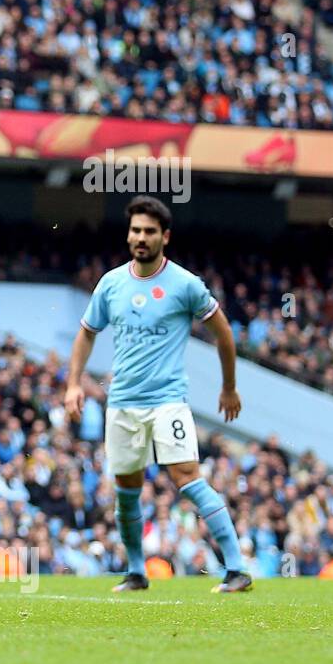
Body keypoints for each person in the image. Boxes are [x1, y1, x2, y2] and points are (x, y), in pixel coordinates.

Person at [64, 196, 251, 594]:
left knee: (187, 478)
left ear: (165, 236)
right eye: (136, 231)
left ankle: (236, 567)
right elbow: (86, 333)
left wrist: (229, 386)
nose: (141, 238)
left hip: (168, 400)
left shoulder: (185, 284)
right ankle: (136, 571)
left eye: (149, 231)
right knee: (127, 489)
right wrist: (73, 383)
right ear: (128, 235)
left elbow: (223, 333)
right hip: (122, 404)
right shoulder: (111, 284)